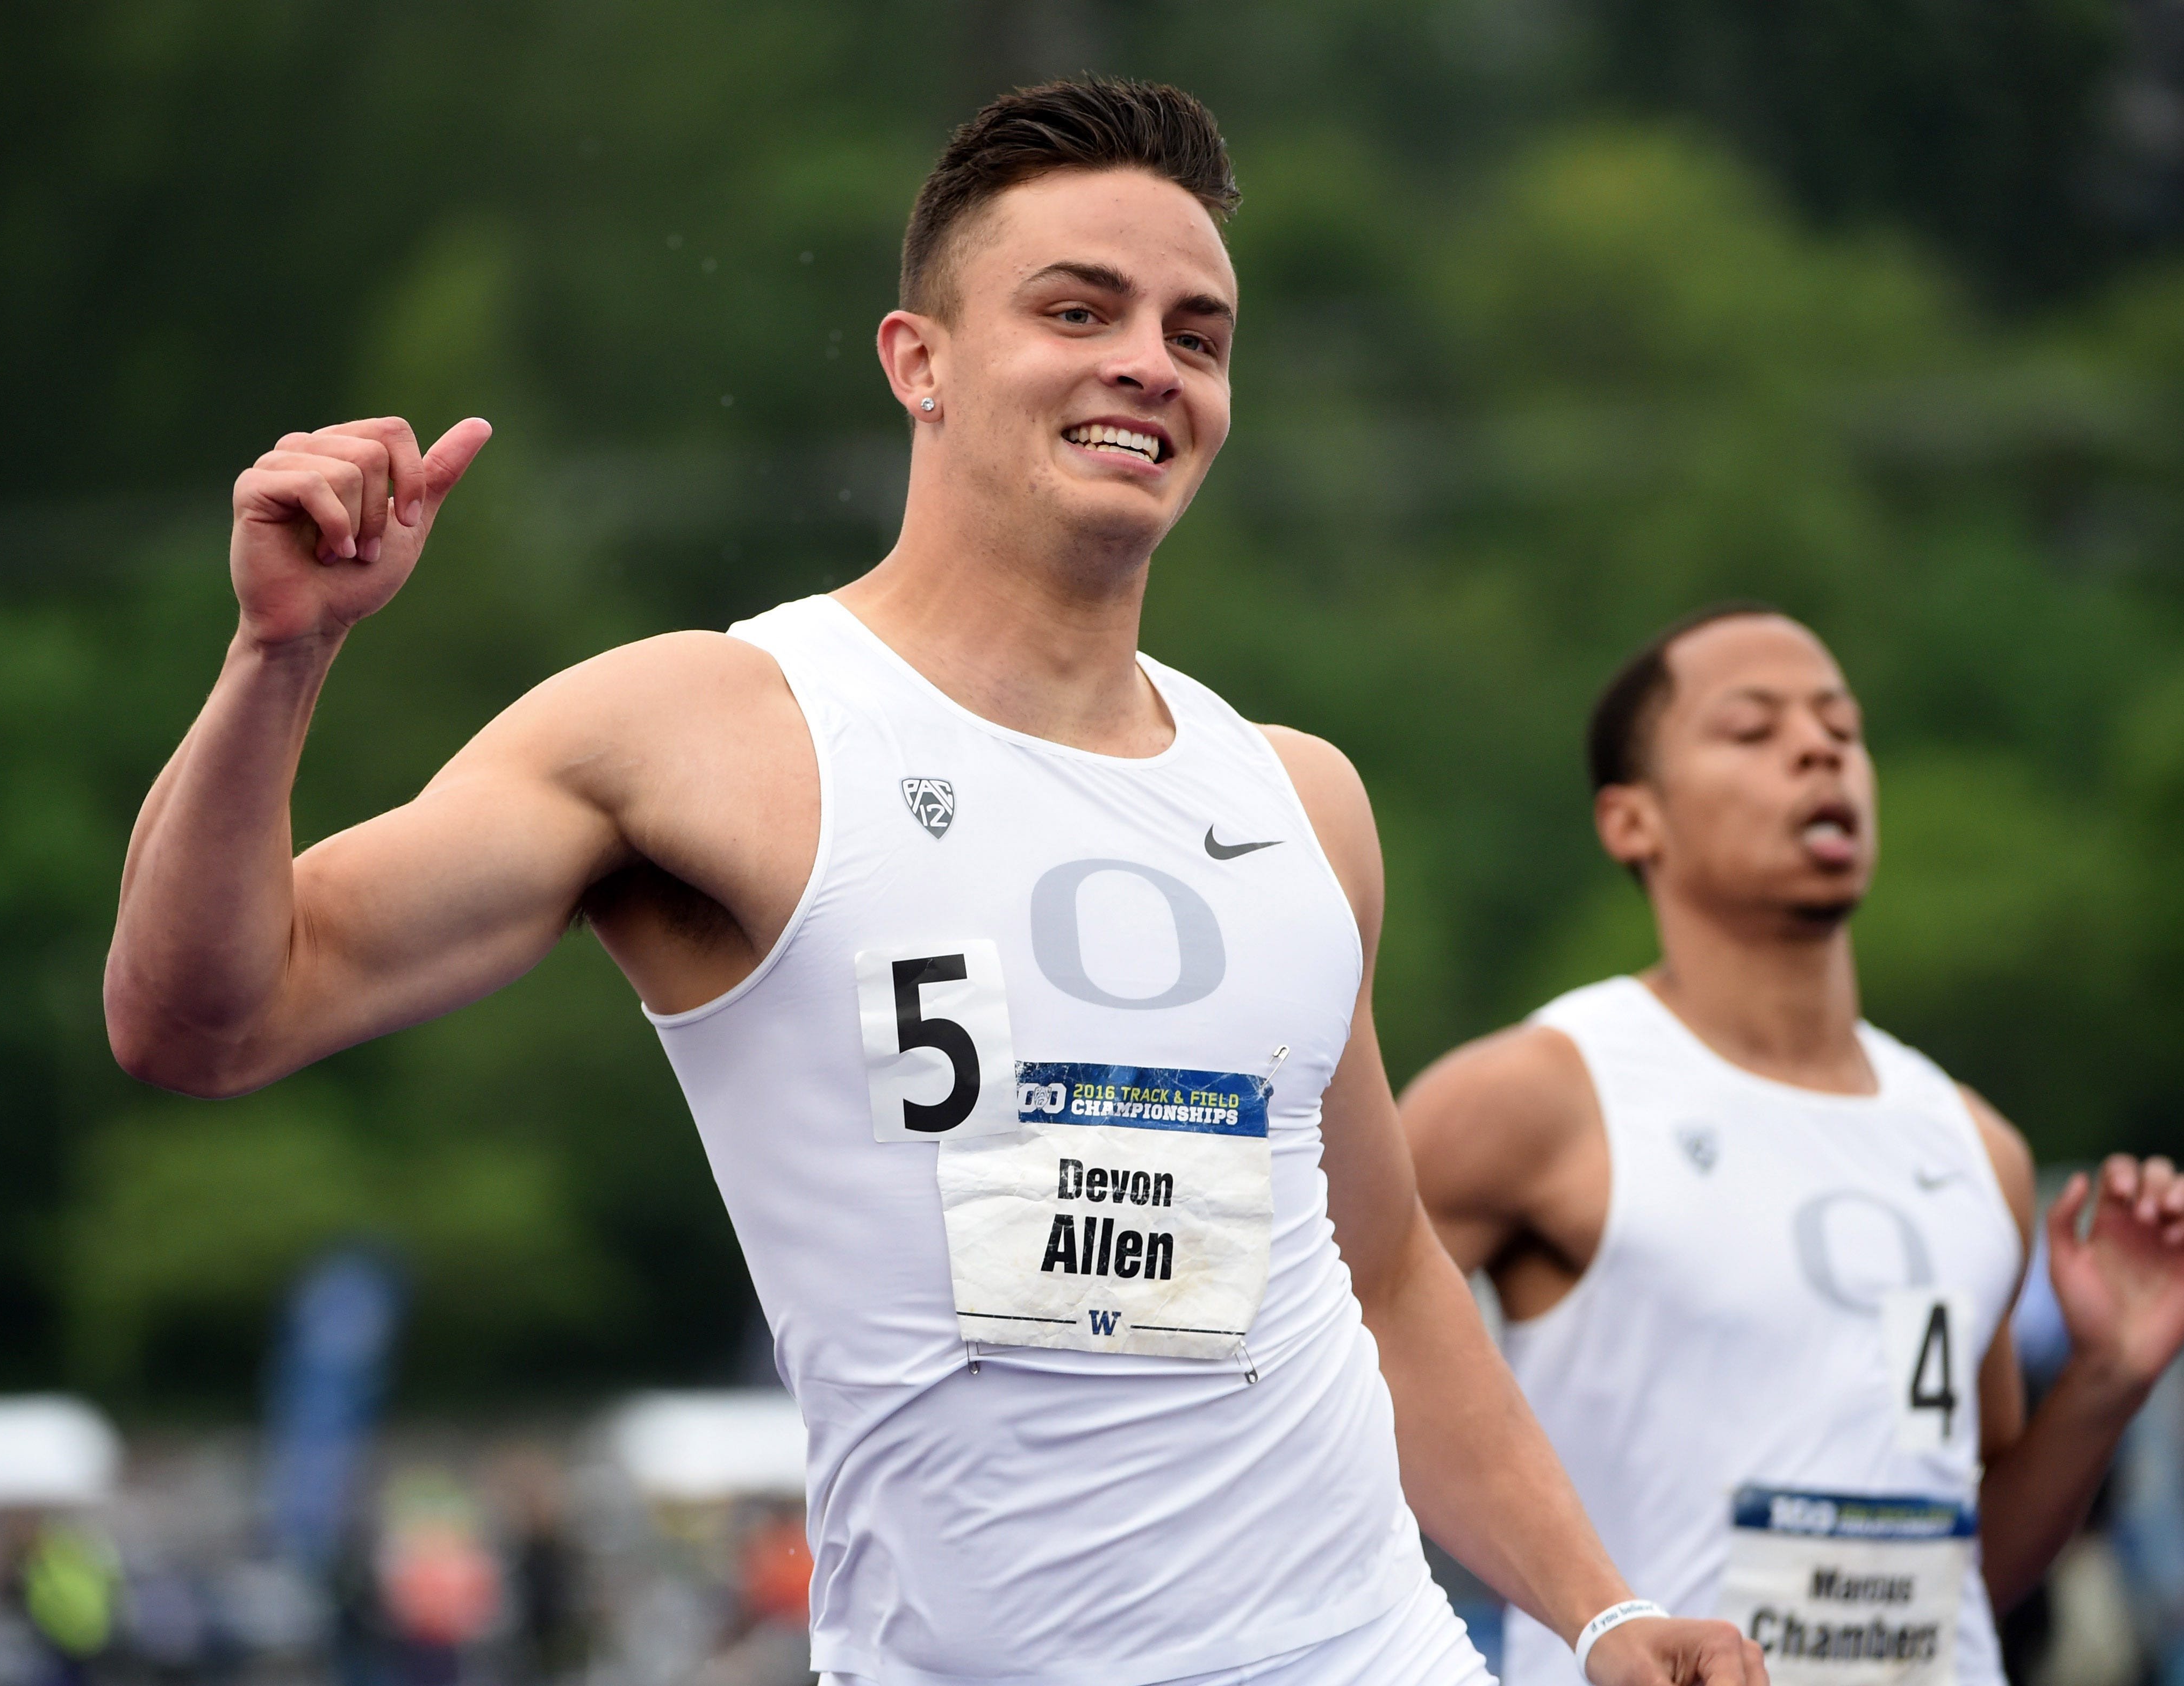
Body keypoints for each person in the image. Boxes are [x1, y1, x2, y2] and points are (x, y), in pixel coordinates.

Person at [106, 78, 1759, 1686]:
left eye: (1198, 335)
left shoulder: (1301, 799)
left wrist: (1602, 1615)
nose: (1148, 367)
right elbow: (207, 1021)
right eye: (1079, 310)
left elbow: (1386, 1271)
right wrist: (282, 656)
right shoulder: (708, 730)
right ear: (922, 360)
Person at [1398, 603, 2184, 1686]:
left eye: (1842, 724)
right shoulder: (1535, 1095)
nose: (1818, 747)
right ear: (1630, 821)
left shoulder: (1976, 1144)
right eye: (1751, 728)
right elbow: (1321, 1387)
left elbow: (1968, 1563)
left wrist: (2107, 1379)